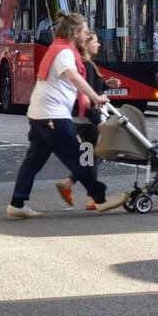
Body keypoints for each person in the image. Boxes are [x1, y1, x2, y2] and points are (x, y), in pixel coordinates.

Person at [8, 14, 129, 218]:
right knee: (78, 158)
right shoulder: (64, 52)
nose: (86, 35)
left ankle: (17, 203)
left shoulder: (61, 49)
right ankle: (100, 198)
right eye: (84, 31)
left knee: (34, 160)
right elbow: (73, 77)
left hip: (41, 112)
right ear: (75, 33)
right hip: (52, 114)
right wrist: (95, 97)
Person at [57, 31, 108, 207]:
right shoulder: (86, 65)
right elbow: (86, 96)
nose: (99, 45)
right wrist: (97, 120)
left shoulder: (84, 65)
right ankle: (90, 197)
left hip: (80, 119)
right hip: (87, 121)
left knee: (91, 156)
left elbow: (91, 87)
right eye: (95, 41)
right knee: (95, 155)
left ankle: (71, 184)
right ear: (86, 45)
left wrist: (108, 84)